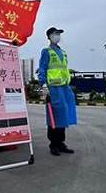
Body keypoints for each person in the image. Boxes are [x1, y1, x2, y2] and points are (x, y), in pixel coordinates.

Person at [38, 27, 77, 156]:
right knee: (54, 116)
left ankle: (61, 143)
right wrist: (43, 85)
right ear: (49, 36)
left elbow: (64, 69)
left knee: (63, 115)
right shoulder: (46, 51)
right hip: (53, 88)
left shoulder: (63, 52)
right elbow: (42, 68)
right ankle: (53, 144)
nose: (58, 36)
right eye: (55, 34)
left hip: (64, 87)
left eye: (59, 34)